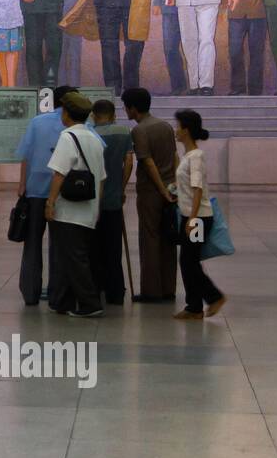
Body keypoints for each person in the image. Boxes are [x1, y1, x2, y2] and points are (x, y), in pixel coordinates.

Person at [16, 85, 99, 306]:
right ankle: (56, 294)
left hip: (35, 190)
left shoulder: (36, 122)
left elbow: (25, 155)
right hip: (63, 194)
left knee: (32, 244)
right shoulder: (85, 127)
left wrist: (22, 185)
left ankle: (30, 292)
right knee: (59, 247)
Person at [45, 92, 107, 318]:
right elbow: (101, 178)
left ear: (67, 114)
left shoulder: (67, 137)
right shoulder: (94, 138)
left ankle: (91, 303)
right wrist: (97, 207)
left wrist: (50, 203)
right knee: (71, 255)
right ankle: (61, 301)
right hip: (88, 208)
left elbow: (59, 174)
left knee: (73, 258)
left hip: (68, 210)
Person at [121, 86, 178, 304]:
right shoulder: (164, 126)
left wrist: (162, 191)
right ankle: (168, 288)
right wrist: (173, 186)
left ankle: (152, 290)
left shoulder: (139, 130)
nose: (126, 111)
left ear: (133, 108)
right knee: (168, 238)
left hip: (152, 192)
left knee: (150, 239)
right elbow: (174, 157)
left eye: (126, 107)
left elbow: (148, 162)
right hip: (170, 188)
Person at [171, 110, 226, 320]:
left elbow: (198, 189)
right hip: (190, 216)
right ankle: (194, 306)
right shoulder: (188, 156)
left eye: (178, 126)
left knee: (189, 261)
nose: (176, 130)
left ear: (186, 130)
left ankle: (213, 298)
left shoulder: (196, 157)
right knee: (187, 261)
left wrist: (193, 219)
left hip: (198, 219)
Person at [89, 99, 133, 305]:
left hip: (91, 201)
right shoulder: (124, 132)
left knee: (94, 248)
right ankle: (116, 291)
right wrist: (122, 187)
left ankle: (96, 287)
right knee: (114, 248)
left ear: (93, 115)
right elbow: (129, 162)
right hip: (114, 198)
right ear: (114, 114)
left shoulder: (90, 133)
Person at [59, 0, 84, 86]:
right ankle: (61, 88)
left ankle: (75, 87)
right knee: (60, 58)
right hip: (59, 27)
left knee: (75, 58)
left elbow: (86, 4)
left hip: (76, 27)